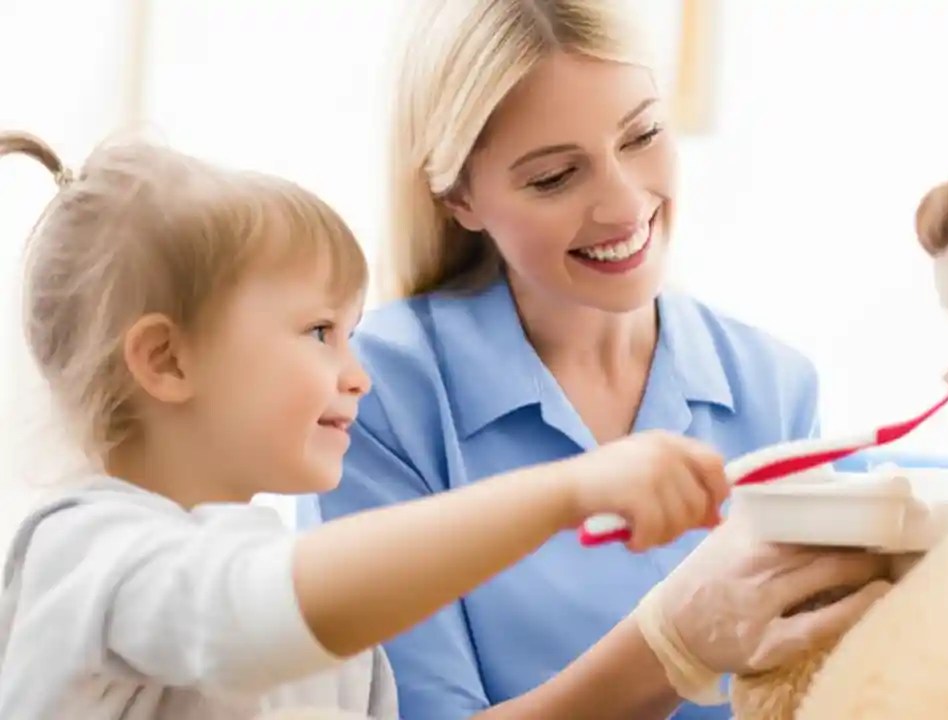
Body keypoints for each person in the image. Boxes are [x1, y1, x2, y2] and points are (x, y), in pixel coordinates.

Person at [0, 130, 738, 719]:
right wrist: (563, 492)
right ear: (166, 359)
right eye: (320, 332)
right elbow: (243, 613)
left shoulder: (336, 634)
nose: (359, 374)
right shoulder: (85, 551)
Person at [302, 1, 896, 718]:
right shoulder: (373, 395)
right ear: (459, 196)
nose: (623, 205)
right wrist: (673, 643)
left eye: (643, 133)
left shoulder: (774, 385)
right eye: (554, 177)